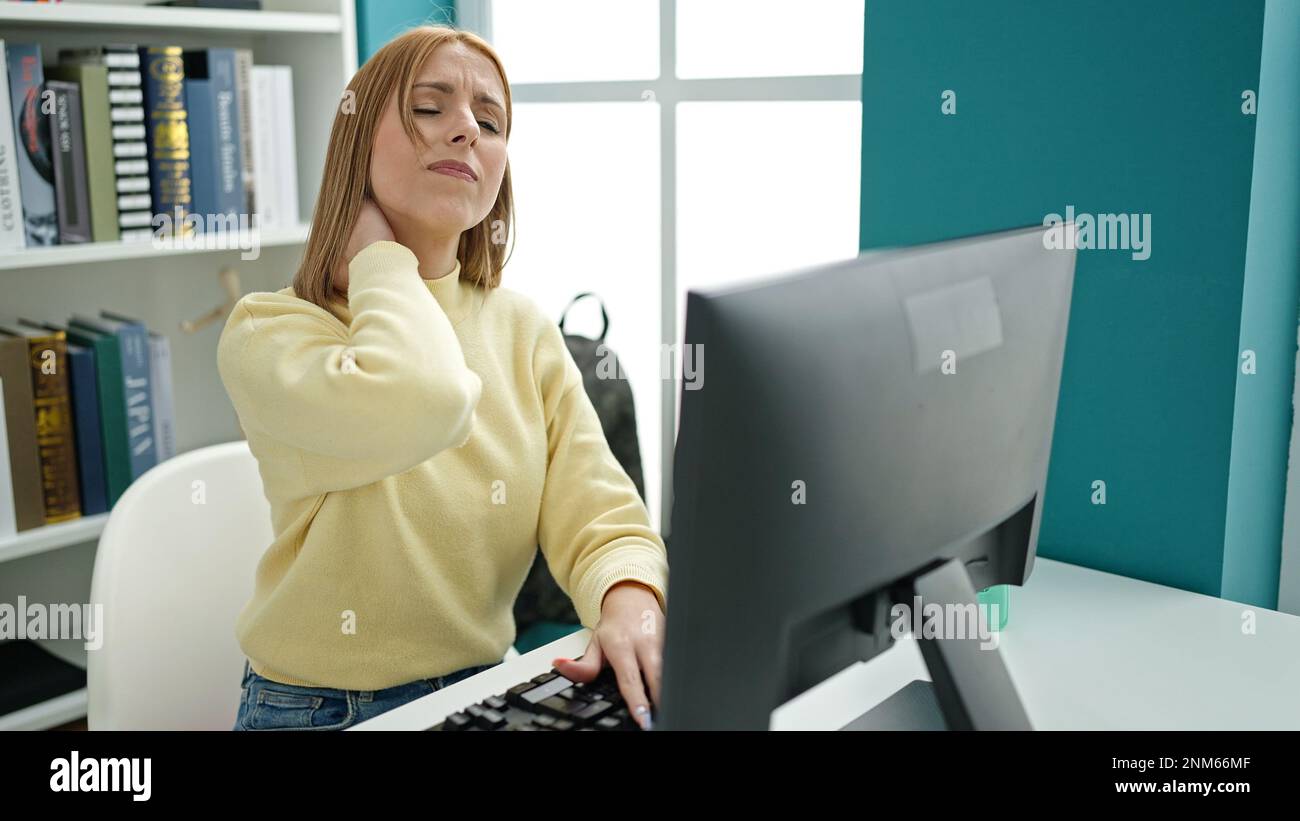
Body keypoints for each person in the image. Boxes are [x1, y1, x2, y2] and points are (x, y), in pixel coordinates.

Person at [218, 24, 668, 731]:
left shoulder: (525, 332)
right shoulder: (270, 330)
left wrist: (631, 598)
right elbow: (424, 398)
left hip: (483, 689)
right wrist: (376, 256)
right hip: (317, 711)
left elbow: (604, 516)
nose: (465, 129)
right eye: (431, 108)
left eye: (490, 121)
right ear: (356, 142)